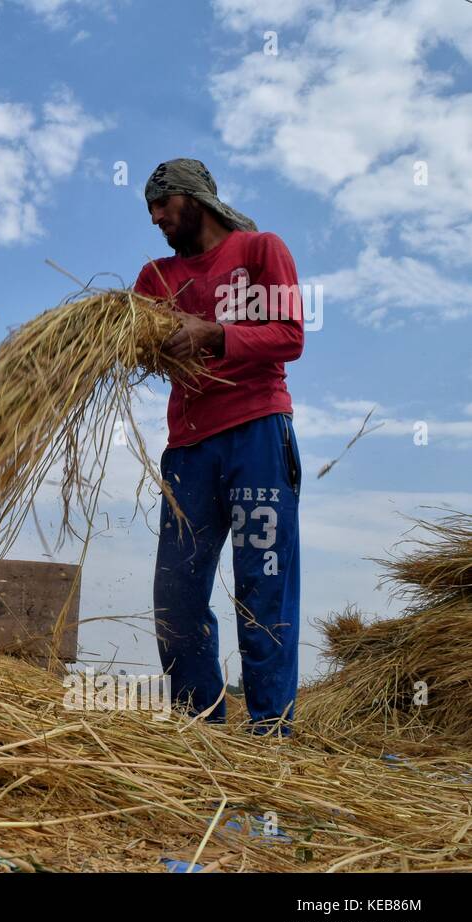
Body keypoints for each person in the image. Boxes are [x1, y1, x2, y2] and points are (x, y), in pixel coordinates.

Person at [132, 158, 304, 735]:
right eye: (150, 207)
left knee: (263, 582)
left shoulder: (259, 251)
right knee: (175, 594)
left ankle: (269, 733)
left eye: (163, 204)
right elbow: (137, 346)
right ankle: (201, 725)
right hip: (189, 449)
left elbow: (289, 335)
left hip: (257, 431)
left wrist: (214, 332)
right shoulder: (154, 277)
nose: (155, 217)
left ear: (194, 200)